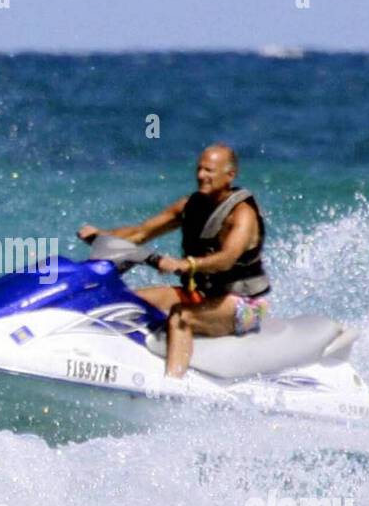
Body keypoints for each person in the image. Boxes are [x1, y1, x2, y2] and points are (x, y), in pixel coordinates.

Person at [77, 143, 270, 378]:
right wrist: (101, 236)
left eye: (209, 170)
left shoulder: (242, 214)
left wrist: (186, 265)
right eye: (199, 169)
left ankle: (172, 388)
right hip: (203, 295)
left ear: (230, 175)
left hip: (246, 306)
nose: (201, 176)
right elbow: (140, 233)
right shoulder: (191, 206)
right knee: (129, 302)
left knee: (182, 316)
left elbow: (226, 259)